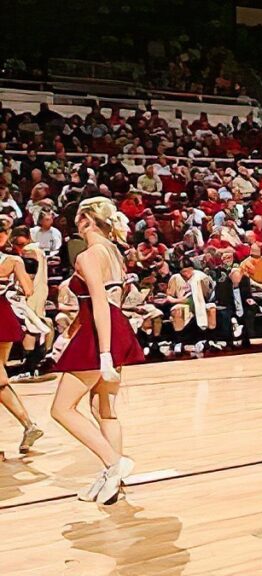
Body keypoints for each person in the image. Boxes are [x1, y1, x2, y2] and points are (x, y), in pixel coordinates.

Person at [49, 197, 145, 504]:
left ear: (86, 220)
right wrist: (68, 333)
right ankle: (112, 480)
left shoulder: (88, 256)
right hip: (116, 329)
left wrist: (103, 353)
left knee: (61, 409)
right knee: (105, 410)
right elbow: (97, 303)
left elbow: (100, 305)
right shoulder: (113, 252)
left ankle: (113, 463)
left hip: (101, 334)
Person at [0, 224, 44, 460]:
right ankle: (28, 424)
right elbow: (27, 290)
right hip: (4, 316)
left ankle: (28, 424)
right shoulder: (13, 261)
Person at [215, 268, 257, 349]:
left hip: (243, 306)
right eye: (235, 280)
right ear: (230, 277)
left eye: (239, 280)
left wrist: (250, 301)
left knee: (249, 313)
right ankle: (229, 341)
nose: (237, 282)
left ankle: (246, 339)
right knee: (226, 316)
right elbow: (223, 301)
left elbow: (248, 296)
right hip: (230, 307)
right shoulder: (223, 284)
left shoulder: (245, 281)